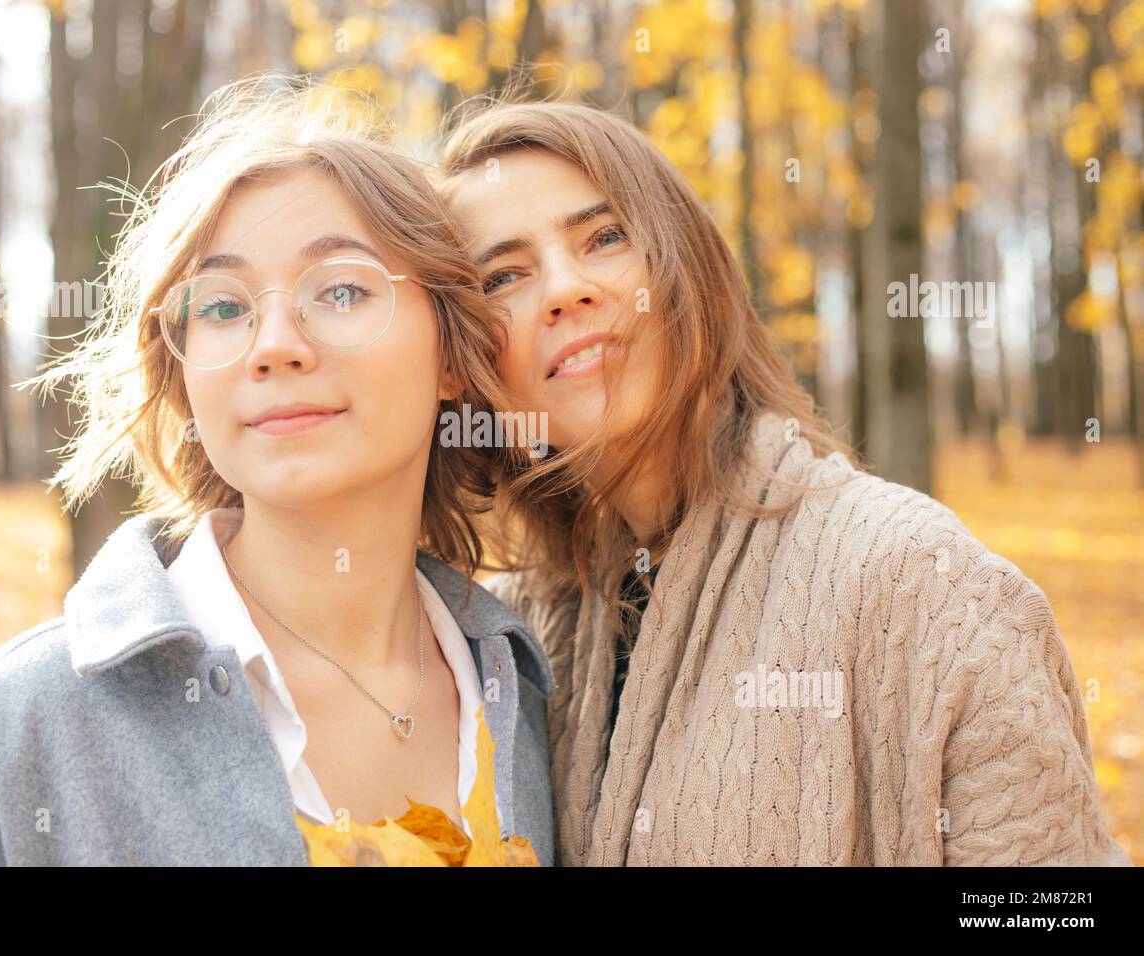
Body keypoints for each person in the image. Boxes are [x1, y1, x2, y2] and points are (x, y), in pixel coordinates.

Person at [0, 75, 554, 866]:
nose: (274, 343)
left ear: (453, 352)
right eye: (222, 306)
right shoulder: (9, 731)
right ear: (184, 375)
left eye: (344, 289)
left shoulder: (526, 688)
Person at [437, 98, 1130, 866]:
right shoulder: (505, 643)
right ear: (467, 366)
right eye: (503, 275)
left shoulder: (929, 588)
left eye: (604, 237)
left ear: (686, 265)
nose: (566, 289)